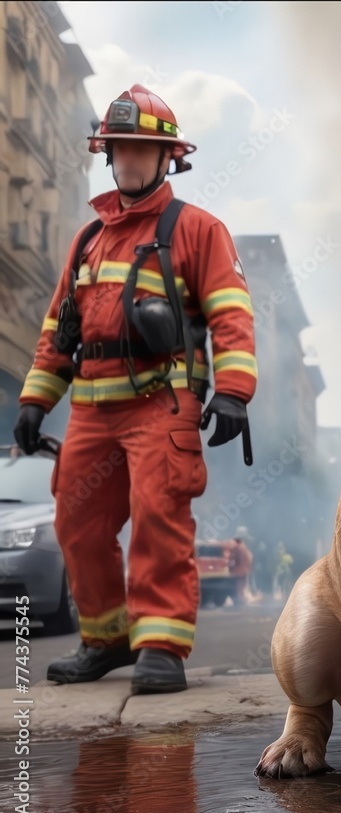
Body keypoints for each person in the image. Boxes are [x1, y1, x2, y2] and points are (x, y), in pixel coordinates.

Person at [12, 84, 257, 694]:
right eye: (119, 149)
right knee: (76, 524)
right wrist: (34, 402)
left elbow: (231, 314)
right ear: (108, 154)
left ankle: (162, 647)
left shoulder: (197, 230)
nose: (129, 159)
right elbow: (57, 328)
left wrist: (232, 389)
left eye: (142, 150)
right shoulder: (88, 240)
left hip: (160, 405)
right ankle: (106, 638)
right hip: (92, 412)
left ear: (168, 158)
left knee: (158, 518)